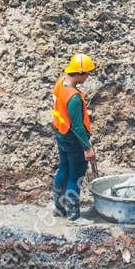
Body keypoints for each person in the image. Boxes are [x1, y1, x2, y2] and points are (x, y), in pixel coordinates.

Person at [50, 53, 96, 219]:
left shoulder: (61, 83)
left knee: (63, 168)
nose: (87, 77)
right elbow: (77, 126)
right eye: (86, 74)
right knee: (75, 174)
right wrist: (87, 147)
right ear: (79, 73)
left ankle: (59, 208)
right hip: (73, 140)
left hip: (60, 134)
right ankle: (73, 214)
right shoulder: (74, 98)